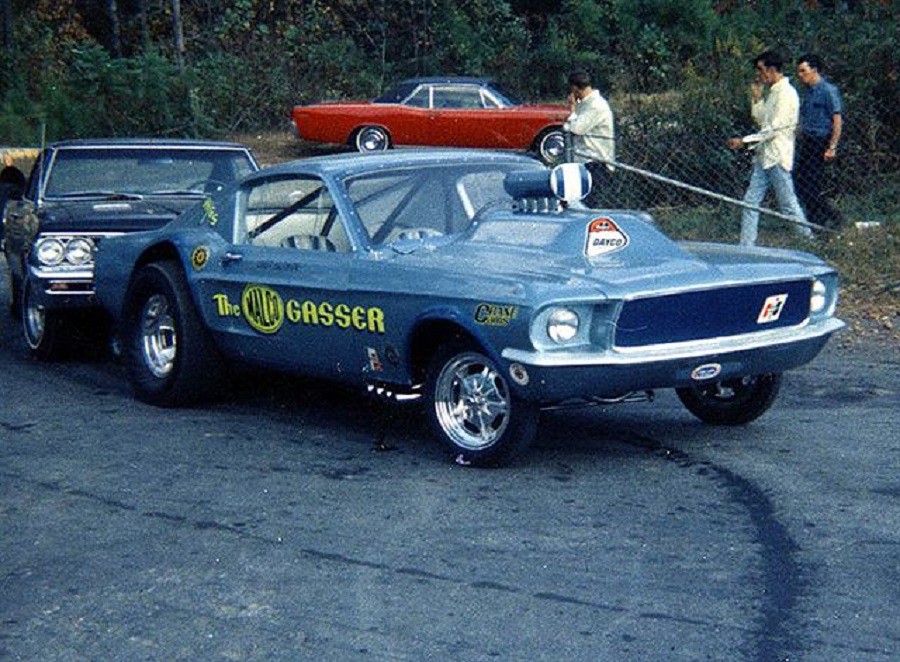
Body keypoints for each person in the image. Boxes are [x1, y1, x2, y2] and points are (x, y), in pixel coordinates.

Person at [727, 50, 812, 246]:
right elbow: (762, 120)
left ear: (771, 69)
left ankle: (808, 241)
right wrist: (757, 99)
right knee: (750, 202)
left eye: (761, 70)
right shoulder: (773, 93)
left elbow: (774, 129)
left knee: (788, 205)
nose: (758, 75)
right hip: (764, 156)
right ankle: (746, 246)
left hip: (777, 156)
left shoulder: (787, 94)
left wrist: (744, 141)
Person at [795, 53, 844, 229]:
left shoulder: (828, 91)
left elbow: (837, 120)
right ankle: (819, 218)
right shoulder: (807, 93)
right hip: (806, 142)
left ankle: (825, 219)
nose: (800, 75)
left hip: (821, 141)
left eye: (803, 71)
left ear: (814, 70)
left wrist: (832, 147)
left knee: (812, 184)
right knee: (801, 183)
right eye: (798, 72)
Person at [563, 70, 615, 208]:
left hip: (596, 161)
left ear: (574, 88)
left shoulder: (596, 105)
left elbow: (575, 129)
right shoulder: (585, 104)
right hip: (583, 160)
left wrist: (572, 110)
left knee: (589, 205)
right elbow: (568, 127)